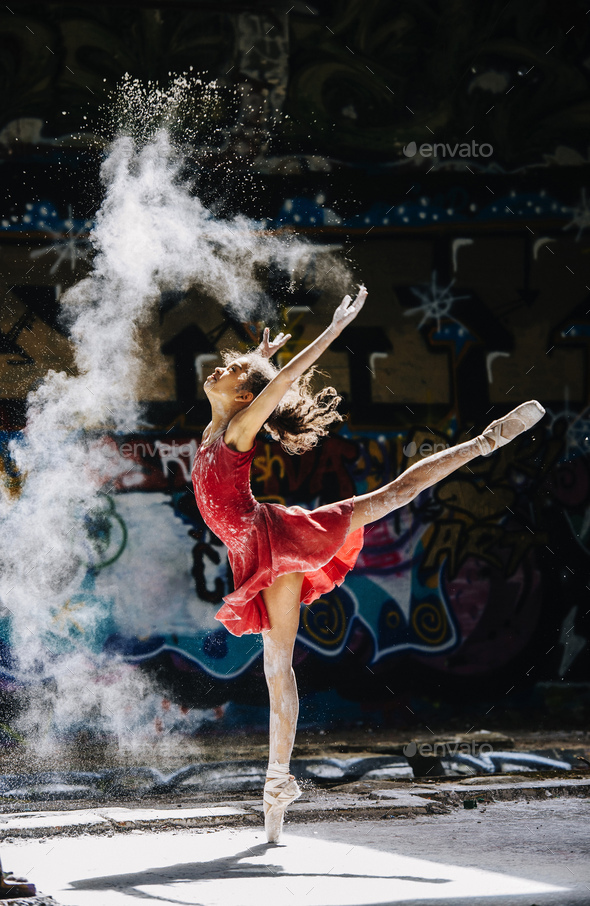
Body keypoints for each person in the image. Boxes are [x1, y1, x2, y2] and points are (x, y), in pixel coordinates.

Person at [191, 286, 544, 843]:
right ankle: (278, 792)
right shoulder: (215, 427)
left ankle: (484, 441)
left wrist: (328, 333)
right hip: (250, 547)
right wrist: (257, 360)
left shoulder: (236, 430)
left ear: (241, 398)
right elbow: (267, 383)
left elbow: (278, 386)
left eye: (231, 370)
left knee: (387, 499)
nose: (220, 367)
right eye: (229, 366)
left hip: (273, 541)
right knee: (275, 668)